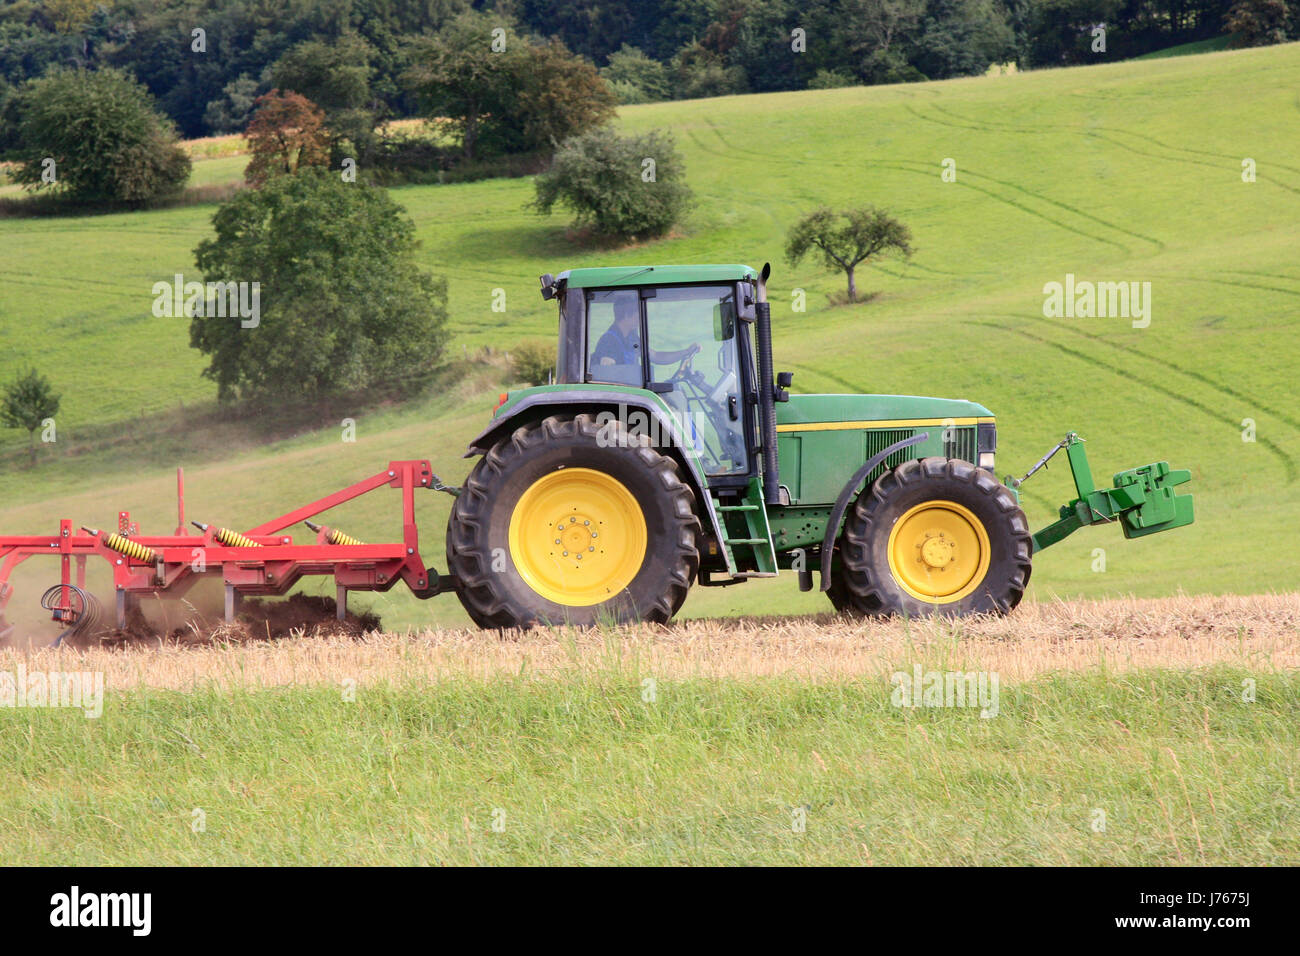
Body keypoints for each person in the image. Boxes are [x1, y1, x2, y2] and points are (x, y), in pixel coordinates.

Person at [591, 297, 700, 370]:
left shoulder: (632, 339)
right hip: (622, 402)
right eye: (638, 315)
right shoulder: (609, 341)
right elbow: (607, 373)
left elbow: (656, 356)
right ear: (626, 315)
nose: (640, 320)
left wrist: (685, 352)